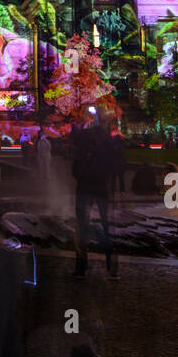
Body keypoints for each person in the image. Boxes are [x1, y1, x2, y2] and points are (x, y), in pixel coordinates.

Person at [71, 116, 118, 279]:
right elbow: (113, 165)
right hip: (101, 188)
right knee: (107, 226)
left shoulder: (83, 142)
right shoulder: (106, 142)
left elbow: (75, 168)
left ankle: (81, 266)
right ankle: (112, 267)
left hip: (85, 188)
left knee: (82, 226)